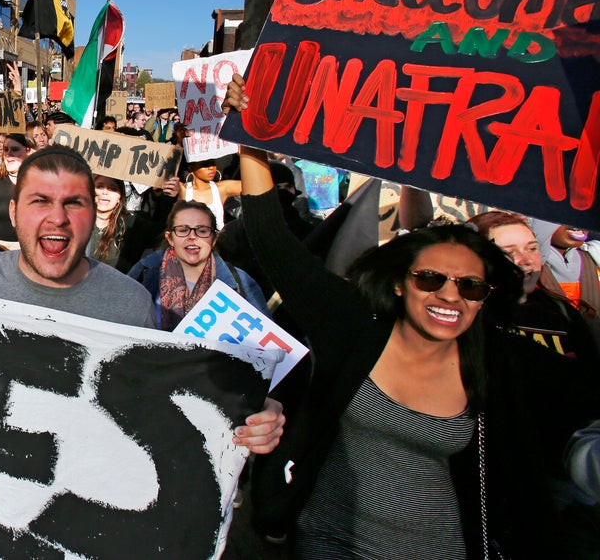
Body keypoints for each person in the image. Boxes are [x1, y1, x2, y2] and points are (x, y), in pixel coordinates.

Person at [226, 78, 600, 557]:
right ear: (400, 282)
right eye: (430, 279)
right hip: (327, 544)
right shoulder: (355, 327)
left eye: (470, 286)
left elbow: (581, 410)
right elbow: (274, 242)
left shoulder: (498, 360)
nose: (449, 295)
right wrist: (251, 139)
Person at [0, 145, 285, 453]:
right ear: (13, 214)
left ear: (94, 216)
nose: (57, 218)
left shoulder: (130, 304)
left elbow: (158, 409)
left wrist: (242, 410)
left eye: (74, 203)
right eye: (40, 202)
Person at [468, 211, 598, 364]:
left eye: (532, 248)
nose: (527, 260)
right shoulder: (469, 313)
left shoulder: (563, 314)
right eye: (509, 252)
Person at [128, 200, 266, 331]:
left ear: (213, 239)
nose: (192, 237)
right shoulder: (144, 272)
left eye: (202, 231)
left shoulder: (240, 283)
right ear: (170, 238)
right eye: (183, 230)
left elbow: (263, 340)